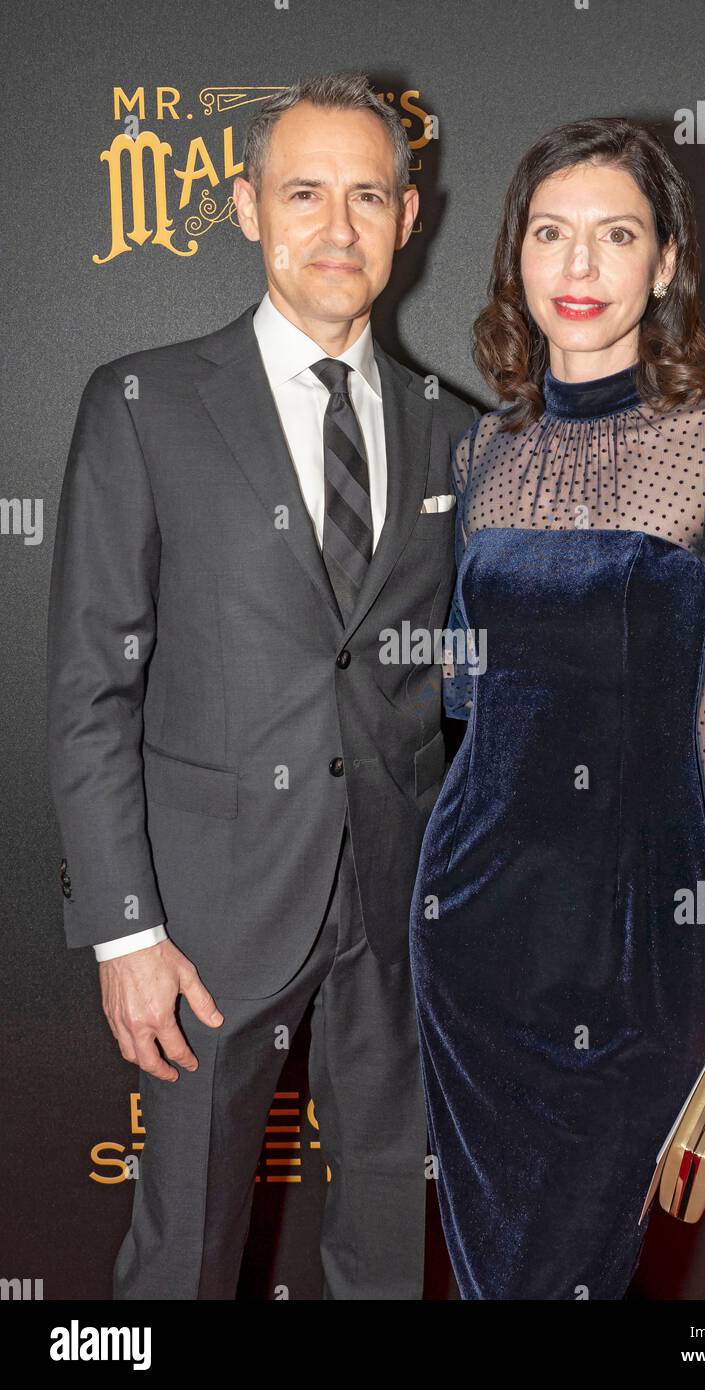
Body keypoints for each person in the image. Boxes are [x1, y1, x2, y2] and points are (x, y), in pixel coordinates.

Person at [46, 72, 476, 1300]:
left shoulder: (461, 431)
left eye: (366, 196)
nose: (336, 228)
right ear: (243, 208)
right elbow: (91, 684)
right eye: (303, 194)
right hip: (203, 925)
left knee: (387, 1243)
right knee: (179, 1253)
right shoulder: (143, 404)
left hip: (400, 914)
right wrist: (126, 929)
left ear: (407, 218)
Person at [408, 116, 705, 1300]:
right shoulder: (484, 454)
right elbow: (466, 702)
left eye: (613, 235)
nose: (577, 268)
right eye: (549, 233)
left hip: (640, 941)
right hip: (475, 938)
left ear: (667, 262)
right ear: (515, 258)